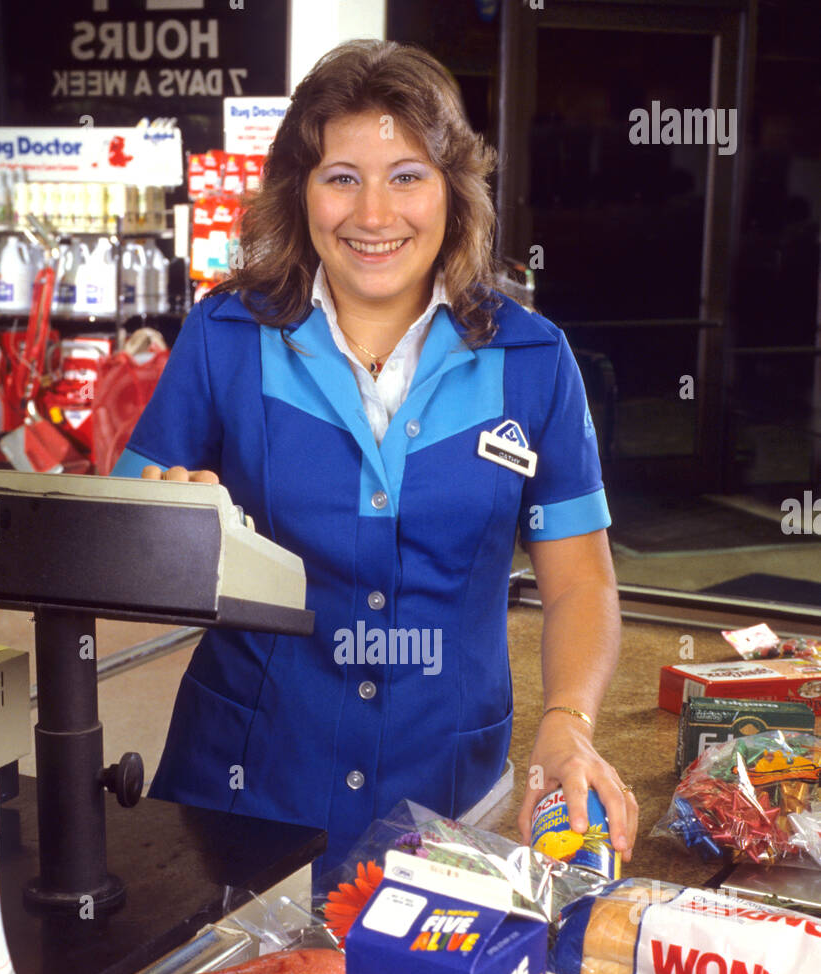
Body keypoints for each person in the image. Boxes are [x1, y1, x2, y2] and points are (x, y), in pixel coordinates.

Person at [113, 39, 638, 872]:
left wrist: (567, 723)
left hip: (445, 797)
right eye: (341, 177)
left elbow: (579, 579)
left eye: (407, 175)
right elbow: (124, 532)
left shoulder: (534, 363)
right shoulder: (225, 336)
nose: (374, 214)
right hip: (241, 792)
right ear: (301, 193)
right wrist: (166, 519)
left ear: (453, 192)